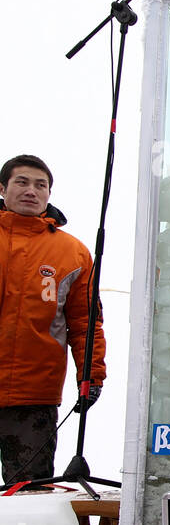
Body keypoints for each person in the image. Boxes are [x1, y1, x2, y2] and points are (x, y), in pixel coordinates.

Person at [0, 155, 106, 488]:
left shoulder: (72, 253)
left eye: (40, 184)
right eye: (21, 182)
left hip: (34, 396)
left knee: (29, 494)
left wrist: (91, 374)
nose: (31, 191)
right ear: (2, 188)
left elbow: (85, 322)